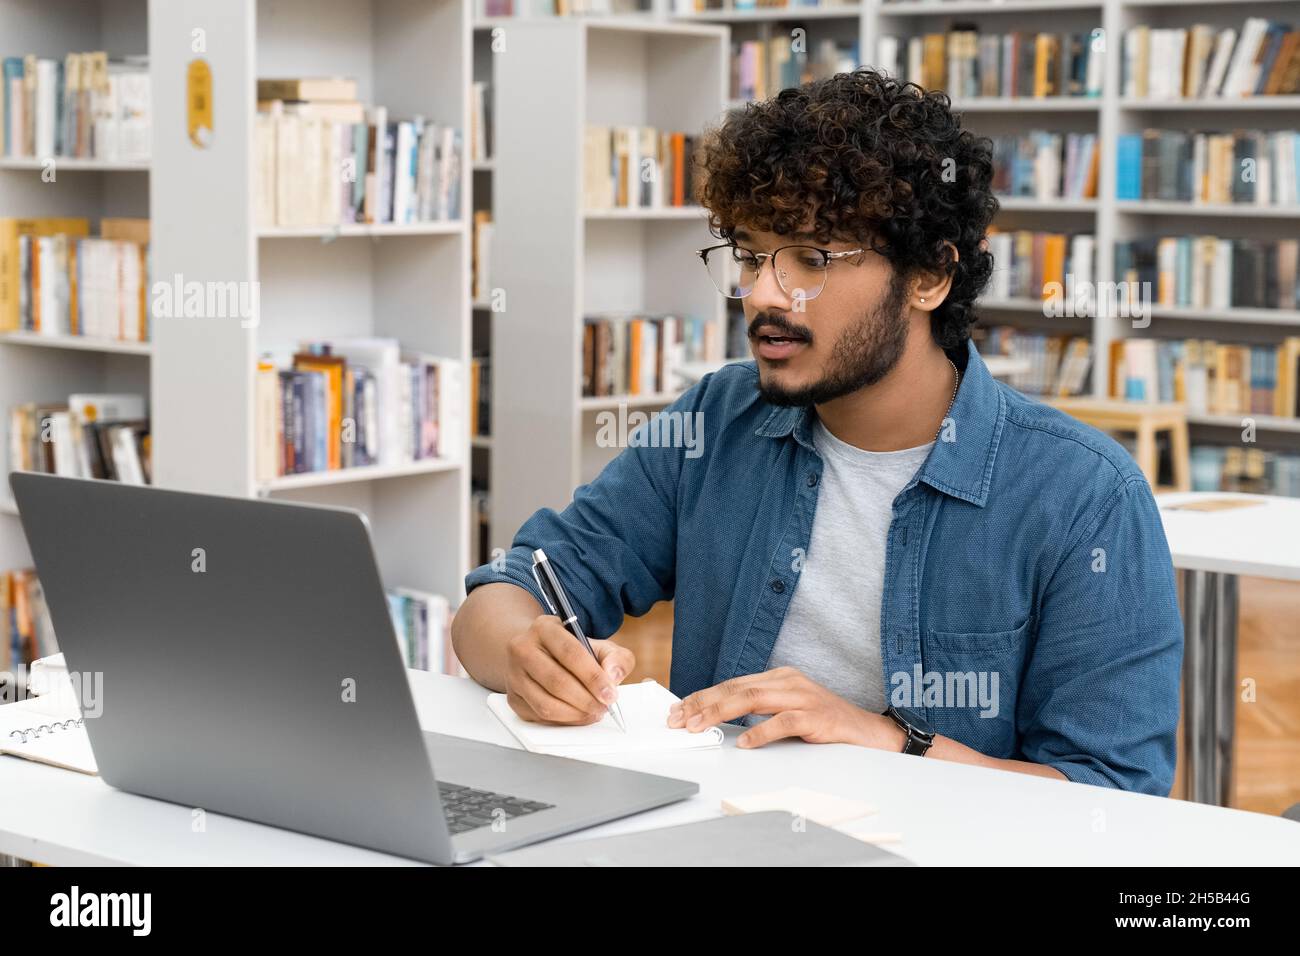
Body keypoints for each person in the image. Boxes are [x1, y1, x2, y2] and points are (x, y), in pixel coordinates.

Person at [452, 68, 1182, 795]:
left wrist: (889, 741)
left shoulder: (1084, 495)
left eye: (812, 259)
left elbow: (1113, 800)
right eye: (748, 256)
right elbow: (505, 592)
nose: (764, 294)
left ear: (930, 278)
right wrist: (525, 647)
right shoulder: (715, 420)